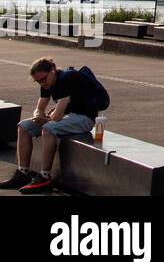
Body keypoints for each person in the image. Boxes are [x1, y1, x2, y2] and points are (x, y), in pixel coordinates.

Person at [1, 58, 100, 194]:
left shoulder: (67, 78)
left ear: (52, 71)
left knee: (48, 129)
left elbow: (57, 116)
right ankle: (23, 173)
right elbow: (40, 107)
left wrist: (45, 120)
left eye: (43, 79)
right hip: (67, 117)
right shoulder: (47, 83)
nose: (43, 83)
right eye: (38, 81)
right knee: (24, 126)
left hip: (83, 118)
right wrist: (38, 116)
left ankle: (45, 177)